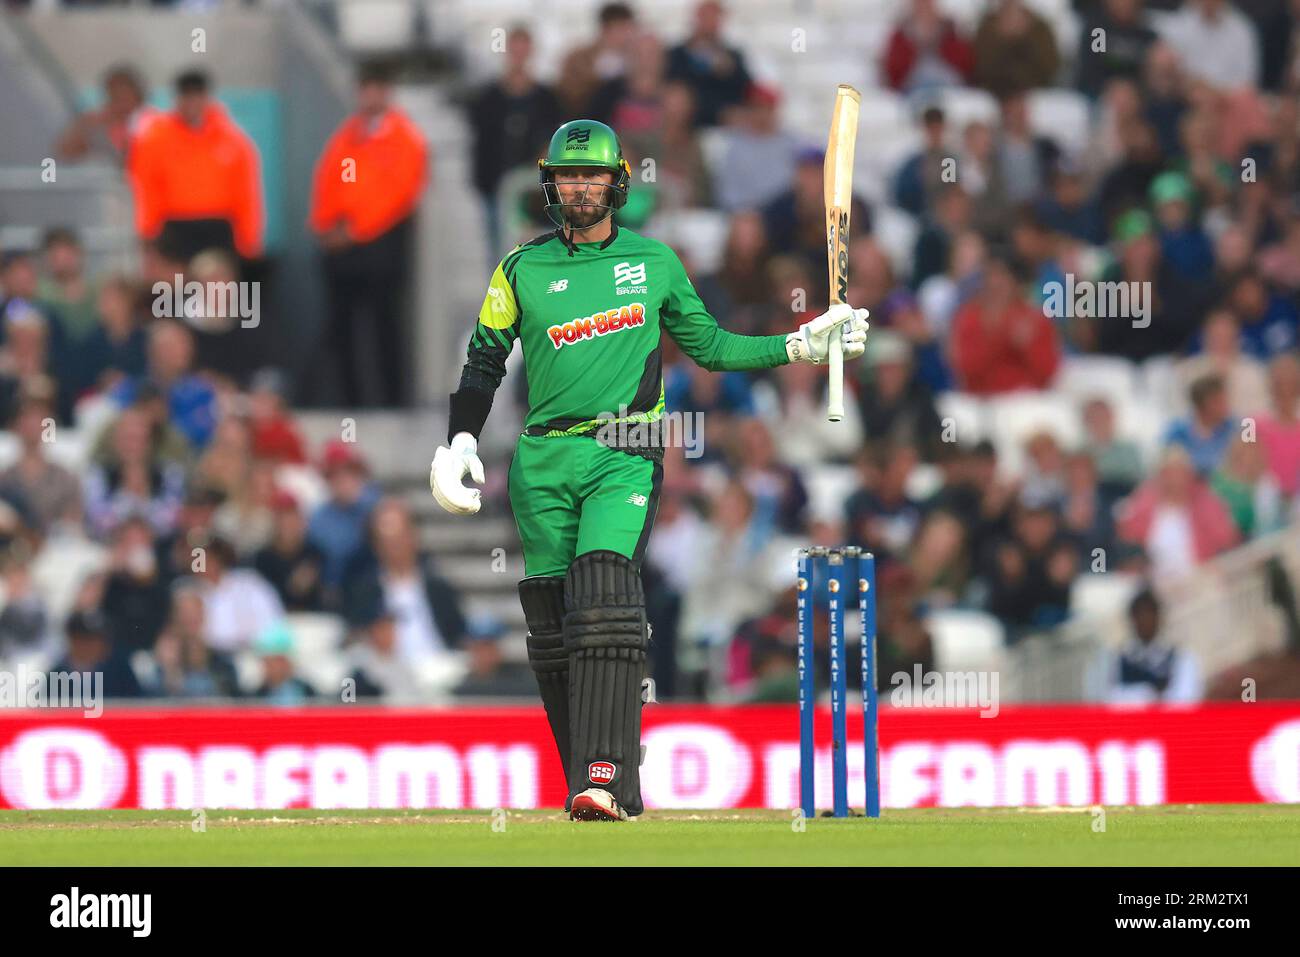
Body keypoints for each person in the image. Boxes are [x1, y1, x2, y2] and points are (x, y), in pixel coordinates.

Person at [428, 118, 869, 822]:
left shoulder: (655, 262)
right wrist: (459, 442)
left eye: (592, 175)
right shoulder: (519, 268)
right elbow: (483, 359)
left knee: (602, 597)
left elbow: (714, 347)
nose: (579, 187)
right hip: (541, 459)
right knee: (553, 625)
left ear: (616, 183)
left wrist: (799, 344)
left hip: (624, 448)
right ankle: (603, 783)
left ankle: (600, 773)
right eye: (568, 176)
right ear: (551, 184)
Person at [310, 61, 429, 408]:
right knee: (343, 330)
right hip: (344, 249)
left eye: (377, 87)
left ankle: (391, 403)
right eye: (366, 87)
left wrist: (354, 230)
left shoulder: (404, 137)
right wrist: (325, 227)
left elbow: (401, 193)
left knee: (385, 329)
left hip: (382, 248)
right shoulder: (347, 136)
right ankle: (352, 403)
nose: (371, 95)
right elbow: (327, 183)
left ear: (387, 92)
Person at [127, 70, 263, 262]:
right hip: (174, 228)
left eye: (197, 95)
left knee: (216, 286)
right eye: (186, 95)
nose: (192, 103)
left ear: (206, 98)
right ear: (177, 99)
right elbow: (146, 188)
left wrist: (249, 239)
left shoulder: (233, 140)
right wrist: (148, 233)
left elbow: (246, 193)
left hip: (220, 228)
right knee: (176, 289)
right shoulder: (155, 140)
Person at [1108, 587, 1204, 703]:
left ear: (1159, 616)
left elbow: (1186, 699)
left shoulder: (1181, 658)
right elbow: (1113, 699)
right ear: (1132, 619)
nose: (1145, 619)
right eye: (1139, 614)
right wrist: (1148, 693)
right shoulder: (1118, 661)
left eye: (1150, 612)